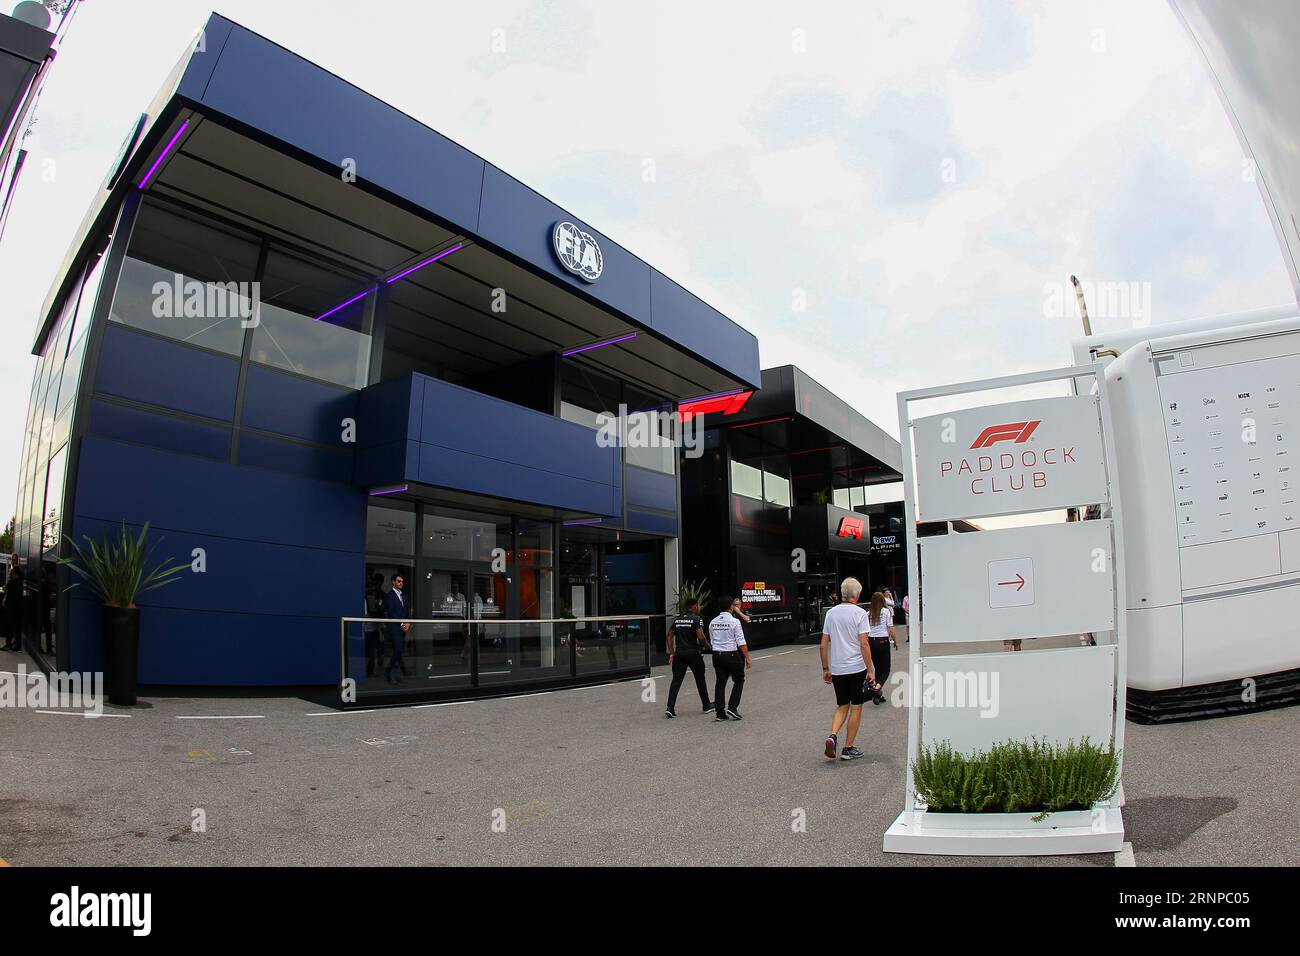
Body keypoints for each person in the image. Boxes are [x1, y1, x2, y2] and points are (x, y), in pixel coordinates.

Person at [820, 577, 877, 760]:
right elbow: (864, 644)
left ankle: (833, 735)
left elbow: (823, 645)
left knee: (842, 704)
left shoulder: (831, 614)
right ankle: (848, 747)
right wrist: (870, 669)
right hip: (856, 667)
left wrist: (825, 668)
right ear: (857, 594)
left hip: (837, 668)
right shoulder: (860, 614)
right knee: (856, 706)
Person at [665, 598, 711, 717]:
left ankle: (670, 707)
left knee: (676, 680)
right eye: (698, 605)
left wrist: (672, 652)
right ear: (694, 606)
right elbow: (700, 637)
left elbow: (669, 636)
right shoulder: (697, 619)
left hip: (679, 654)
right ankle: (706, 705)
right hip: (693, 653)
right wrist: (707, 646)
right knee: (700, 679)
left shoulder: (678, 620)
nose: (699, 607)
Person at [708, 595, 751, 721]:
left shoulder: (713, 622)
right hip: (731, 654)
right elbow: (741, 642)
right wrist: (747, 657)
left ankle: (719, 713)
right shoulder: (734, 621)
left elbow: (711, 640)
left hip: (717, 655)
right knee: (739, 680)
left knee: (720, 683)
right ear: (731, 607)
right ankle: (732, 707)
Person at [865, 590, 897, 705]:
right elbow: (890, 627)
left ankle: (878, 695)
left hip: (871, 641)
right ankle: (877, 687)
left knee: (878, 667)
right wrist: (895, 641)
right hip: (882, 640)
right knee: (886, 669)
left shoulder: (868, 613)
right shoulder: (886, 612)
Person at [383, 573, 410, 684]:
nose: (401, 583)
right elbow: (390, 612)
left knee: (399, 651)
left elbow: (406, 612)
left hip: (403, 628)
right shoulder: (389, 595)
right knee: (398, 650)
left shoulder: (403, 596)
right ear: (393, 582)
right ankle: (389, 672)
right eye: (399, 581)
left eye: (402, 581)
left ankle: (396, 675)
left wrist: (407, 623)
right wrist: (402, 623)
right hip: (394, 627)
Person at [2, 555, 23, 651]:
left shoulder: (12, 582)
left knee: (10, 625)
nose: (13, 561)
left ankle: (9, 644)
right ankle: (17, 645)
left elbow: (7, 590)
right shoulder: (20, 583)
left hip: (12, 606)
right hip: (18, 606)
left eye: (15, 559)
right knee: (17, 626)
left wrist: (5, 599)